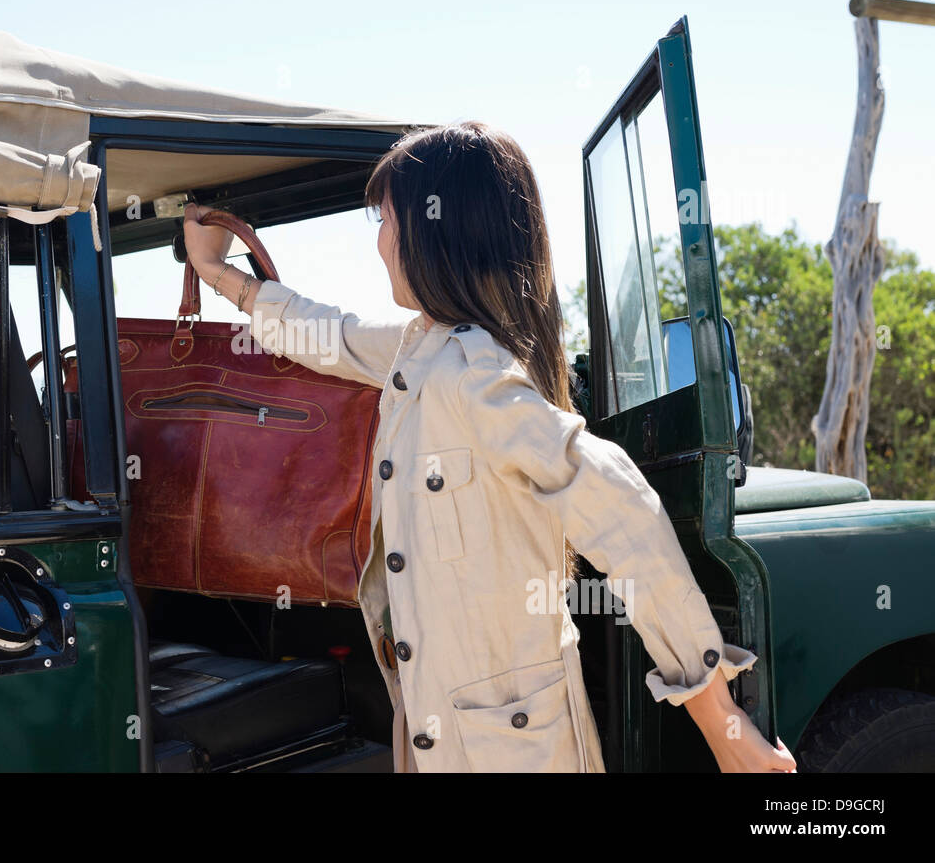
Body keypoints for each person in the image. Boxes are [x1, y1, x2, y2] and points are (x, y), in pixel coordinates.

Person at [182, 121, 797, 774]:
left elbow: (620, 509)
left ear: (434, 231)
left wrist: (723, 725)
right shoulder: (426, 348)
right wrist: (220, 274)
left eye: (387, 222)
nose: (382, 244)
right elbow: (332, 335)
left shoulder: (468, 375)